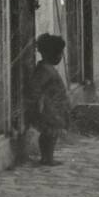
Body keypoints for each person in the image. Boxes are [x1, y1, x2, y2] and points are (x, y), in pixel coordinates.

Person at [28, 33, 71, 165]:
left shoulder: (47, 68)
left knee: (50, 133)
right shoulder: (45, 70)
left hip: (54, 107)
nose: (60, 57)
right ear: (50, 54)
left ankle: (46, 157)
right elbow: (35, 88)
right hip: (49, 108)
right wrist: (37, 103)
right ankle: (47, 158)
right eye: (58, 54)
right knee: (51, 133)